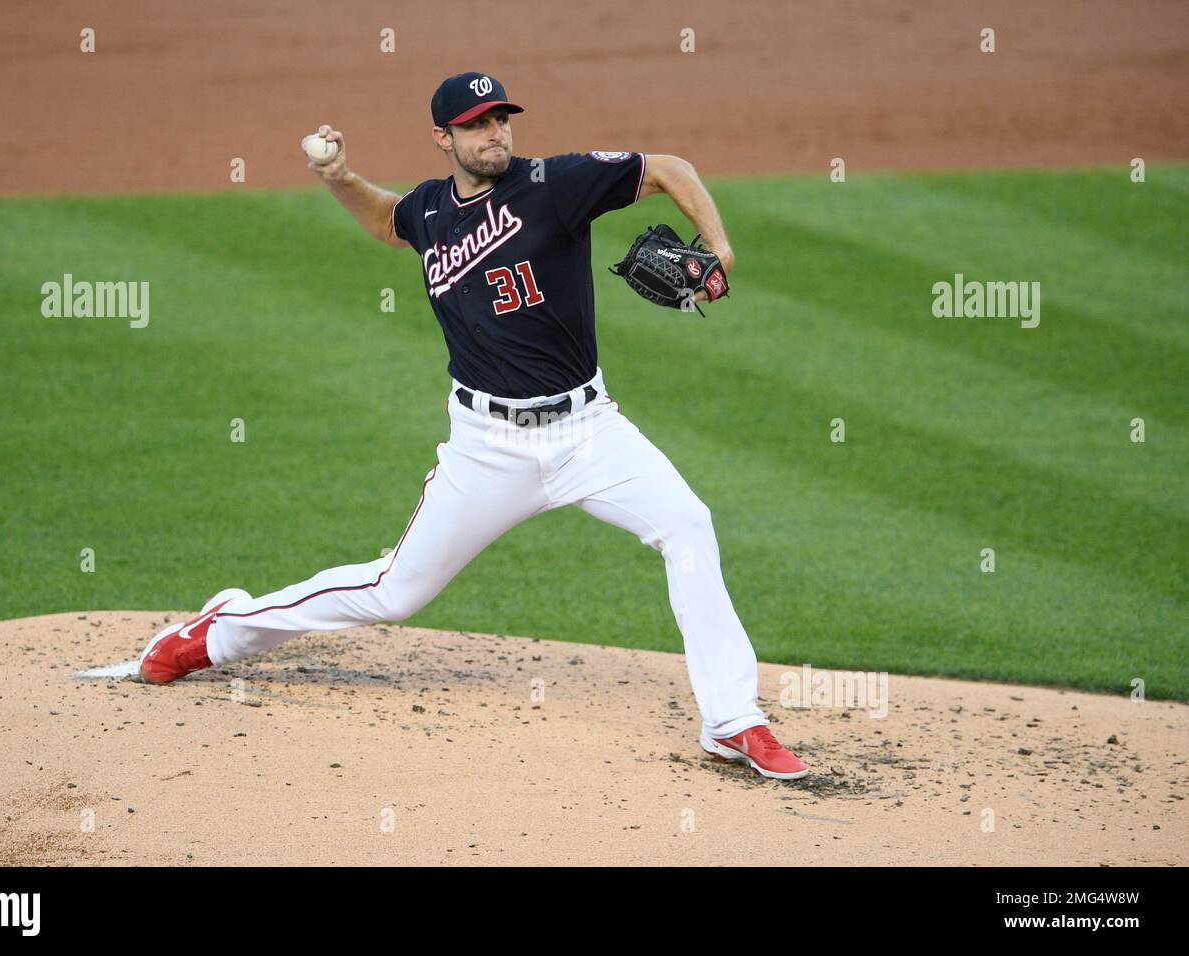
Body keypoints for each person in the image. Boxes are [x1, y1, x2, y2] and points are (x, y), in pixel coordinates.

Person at [137, 71, 808, 780]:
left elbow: (670, 168)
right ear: (444, 137)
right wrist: (338, 177)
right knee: (395, 590)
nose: (495, 135)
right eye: (477, 125)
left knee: (688, 525)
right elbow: (386, 221)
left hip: (588, 432)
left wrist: (721, 248)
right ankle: (220, 633)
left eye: (501, 121)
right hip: (487, 449)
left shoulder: (556, 183)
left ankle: (733, 721)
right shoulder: (431, 211)